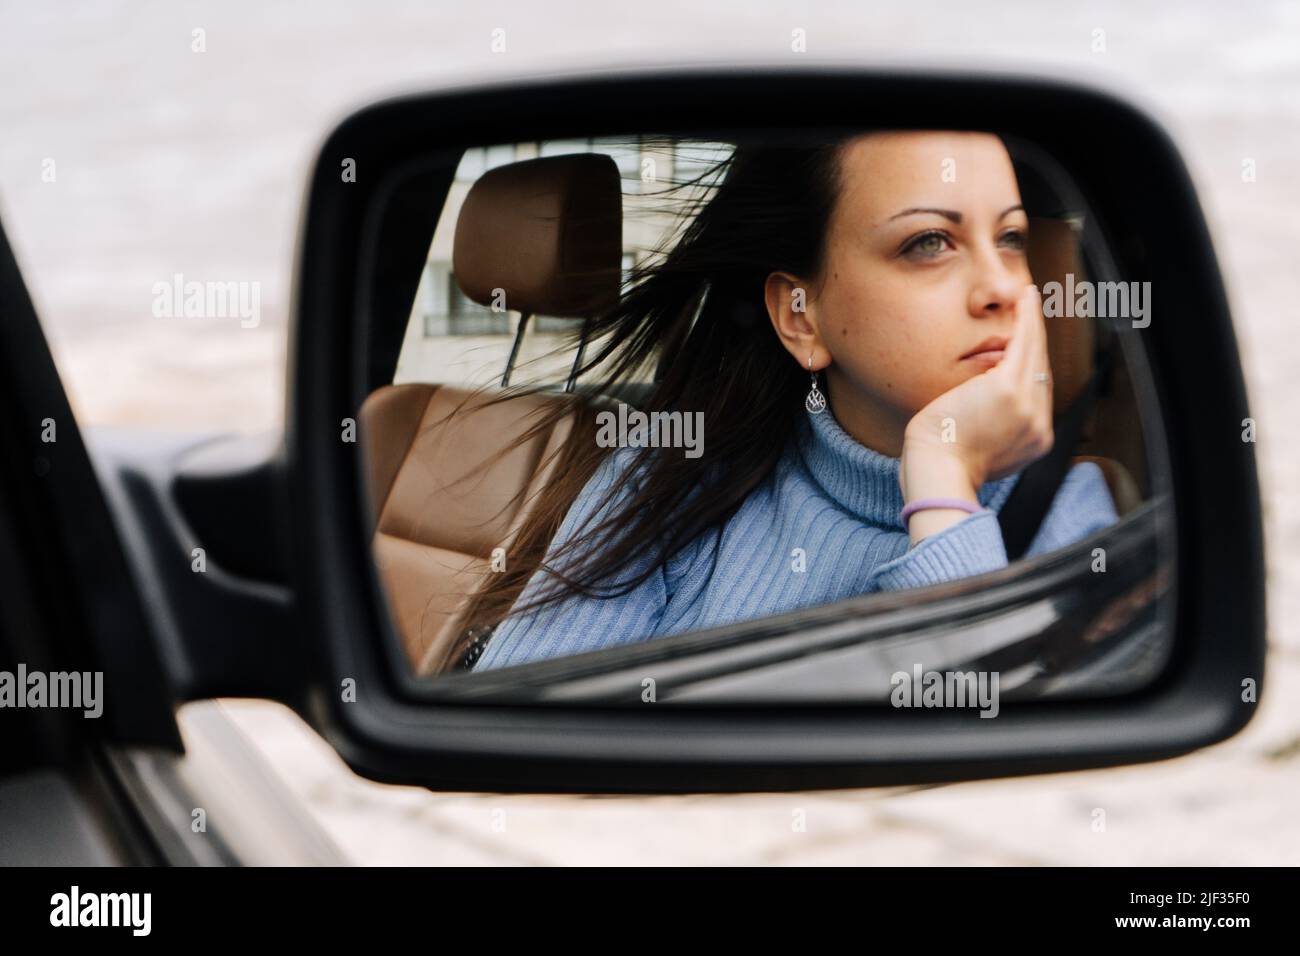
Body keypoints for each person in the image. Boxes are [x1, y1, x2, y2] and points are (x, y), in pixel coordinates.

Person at [462, 130, 1117, 672]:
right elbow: (515, 733)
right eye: (928, 243)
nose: (1001, 287)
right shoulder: (661, 482)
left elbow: (993, 786)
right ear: (801, 317)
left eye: (1011, 240)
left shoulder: (1072, 514)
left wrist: (944, 480)